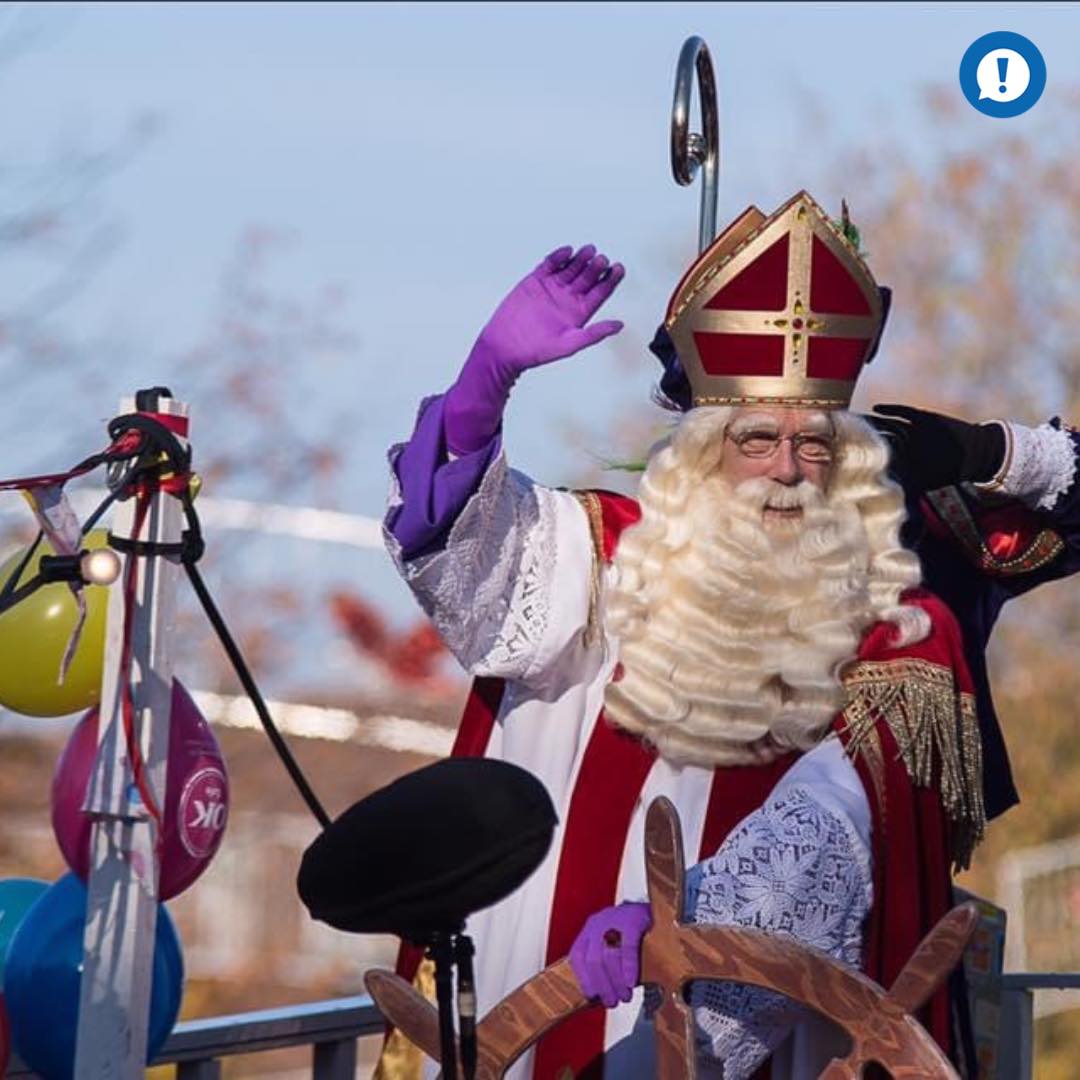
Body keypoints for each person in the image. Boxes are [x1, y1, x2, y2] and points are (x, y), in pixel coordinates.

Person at [379, 190, 1080, 1078]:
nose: (787, 469)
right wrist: (484, 385)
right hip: (544, 1015)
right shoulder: (602, 558)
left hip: (766, 1038)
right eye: (756, 438)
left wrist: (998, 452)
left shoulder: (901, 634)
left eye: (814, 444)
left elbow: (824, 838)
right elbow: (458, 562)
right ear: (703, 447)